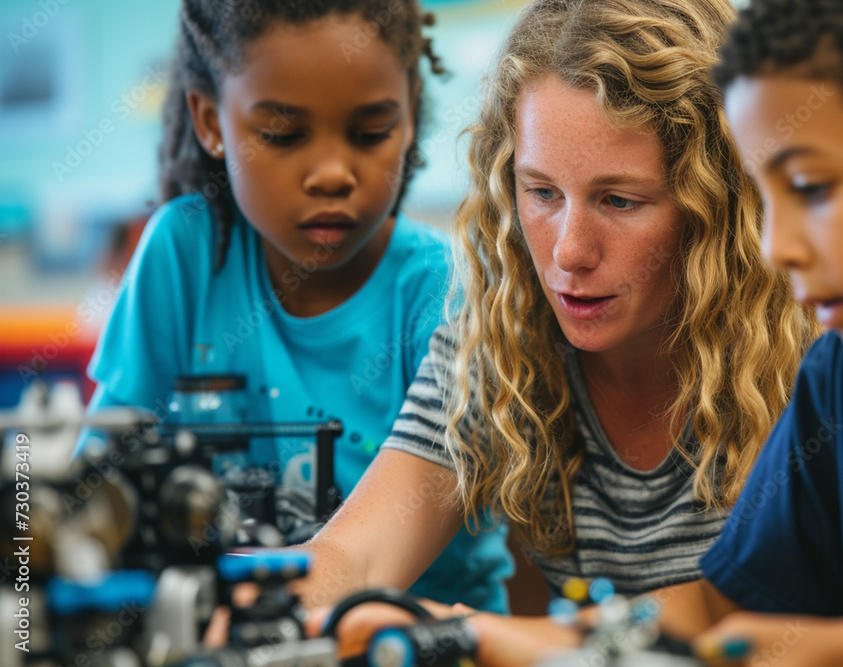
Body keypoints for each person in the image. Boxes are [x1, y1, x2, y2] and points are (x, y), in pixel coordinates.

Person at [299, 0, 814, 634]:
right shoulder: (503, 335)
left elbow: (761, 621)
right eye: (541, 192)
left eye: (619, 200)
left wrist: (489, 638)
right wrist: (253, 596)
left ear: (719, 205)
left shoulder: (818, 347)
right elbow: (354, 555)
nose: (569, 252)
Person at [80, 0, 512, 613]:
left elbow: (372, 560)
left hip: (414, 642)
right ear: (210, 121)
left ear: (411, 113)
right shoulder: (182, 255)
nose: (332, 174)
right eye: (282, 135)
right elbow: (97, 489)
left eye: (370, 133)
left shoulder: (443, 294)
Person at [605, 0, 843, 665]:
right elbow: (721, 612)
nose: (775, 248)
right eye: (766, 198)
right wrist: (511, 636)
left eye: (811, 186)